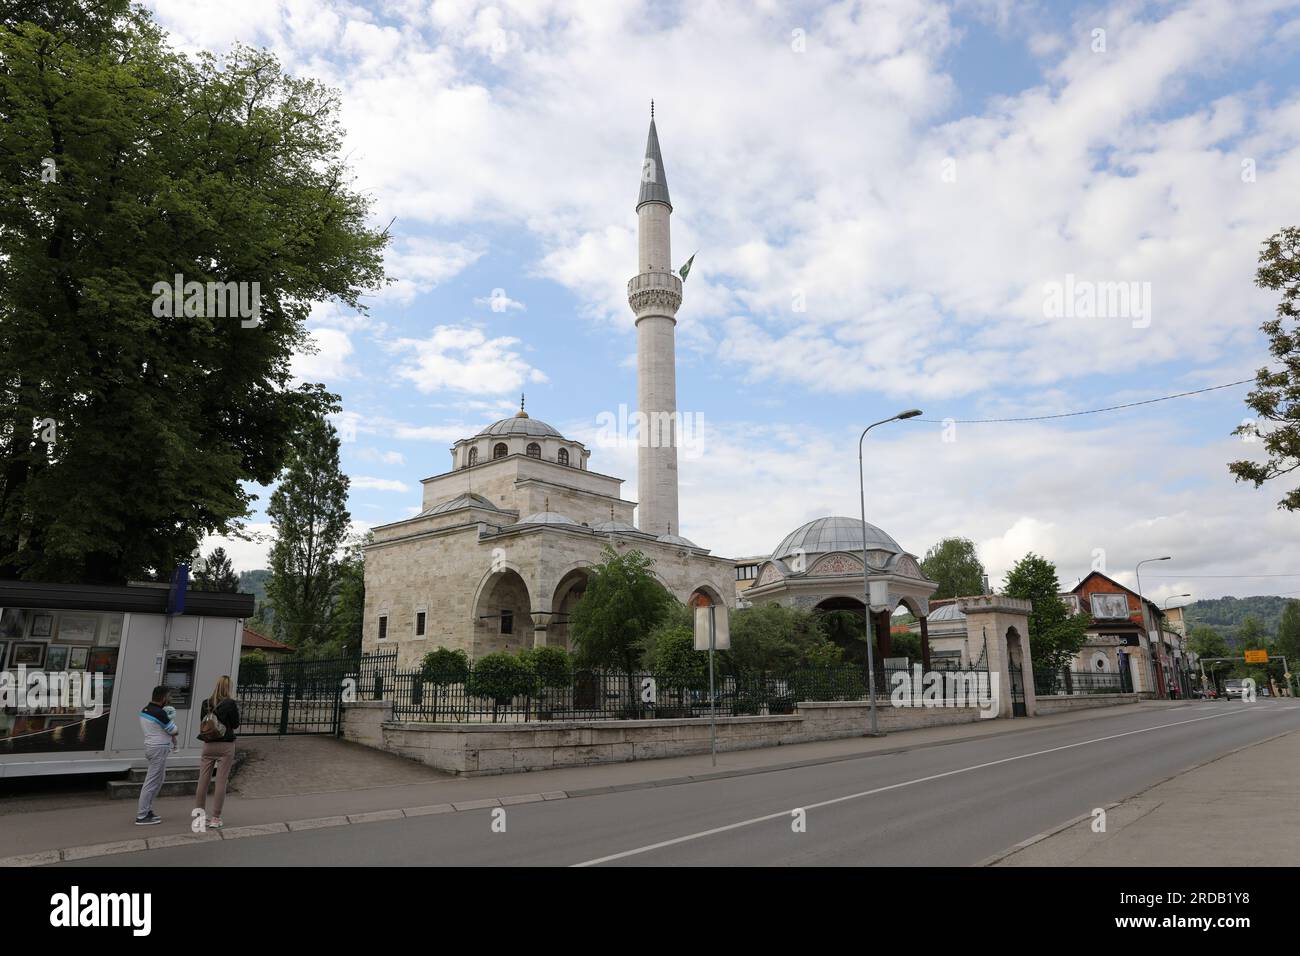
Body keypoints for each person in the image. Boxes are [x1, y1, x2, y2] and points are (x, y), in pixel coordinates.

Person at [193, 675, 240, 830]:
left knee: (203, 780)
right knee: (221, 782)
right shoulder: (230, 703)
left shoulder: (206, 703)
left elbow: (203, 722)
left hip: (208, 744)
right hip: (225, 745)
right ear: (228, 687)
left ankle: (200, 817)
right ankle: (215, 818)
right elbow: (235, 724)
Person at [136, 685, 178, 825]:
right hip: (158, 749)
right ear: (164, 698)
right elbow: (173, 731)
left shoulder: (146, 709)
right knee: (152, 782)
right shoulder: (159, 713)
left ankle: (147, 810)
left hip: (152, 747)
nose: (170, 699)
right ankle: (142, 815)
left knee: (158, 779)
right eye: (169, 696)